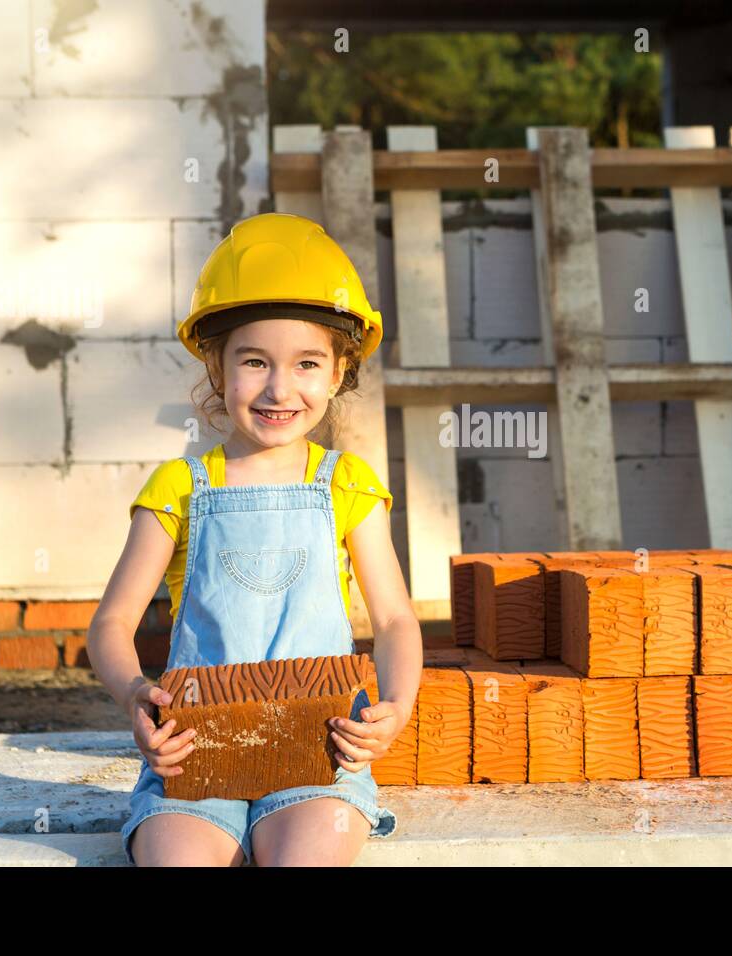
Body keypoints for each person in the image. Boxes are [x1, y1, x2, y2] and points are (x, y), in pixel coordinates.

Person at [88, 213, 422, 866]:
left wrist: (397, 707)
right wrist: (135, 697)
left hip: (319, 755)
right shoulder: (179, 486)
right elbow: (112, 622)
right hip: (194, 754)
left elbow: (395, 621)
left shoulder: (347, 484)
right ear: (216, 365)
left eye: (306, 363)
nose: (279, 388)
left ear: (338, 371)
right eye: (253, 361)